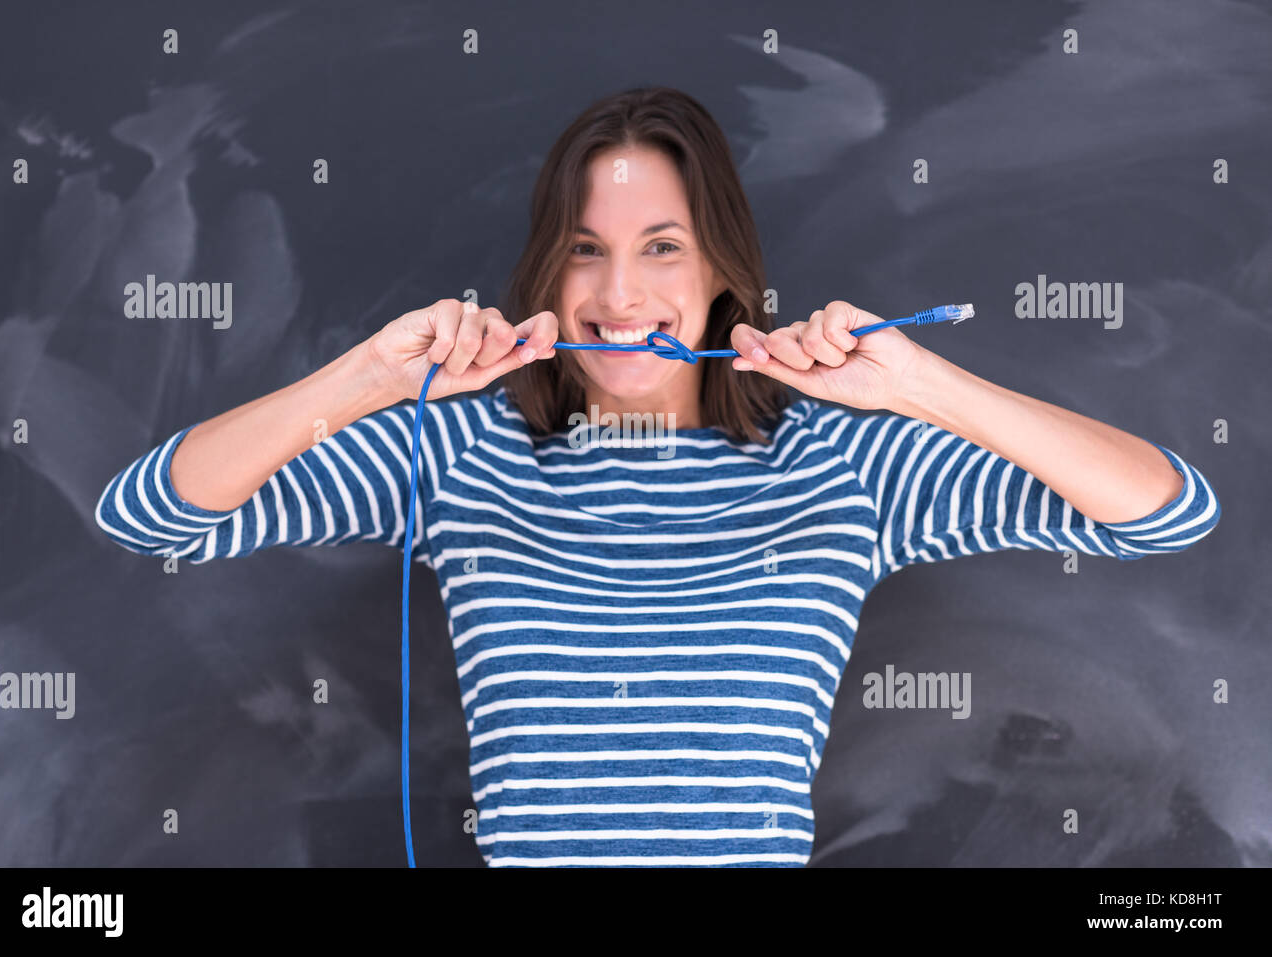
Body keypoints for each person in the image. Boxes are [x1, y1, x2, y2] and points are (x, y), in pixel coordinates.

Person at [94, 86, 1220, 867]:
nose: (619, 292)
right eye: (586, 247)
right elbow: (149, 520)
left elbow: (1165, 513)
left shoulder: (847, 458)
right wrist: (360, 378)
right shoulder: (452, 448)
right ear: (549, 267)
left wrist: (925, 389)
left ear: (726, 273)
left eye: (661, 247)